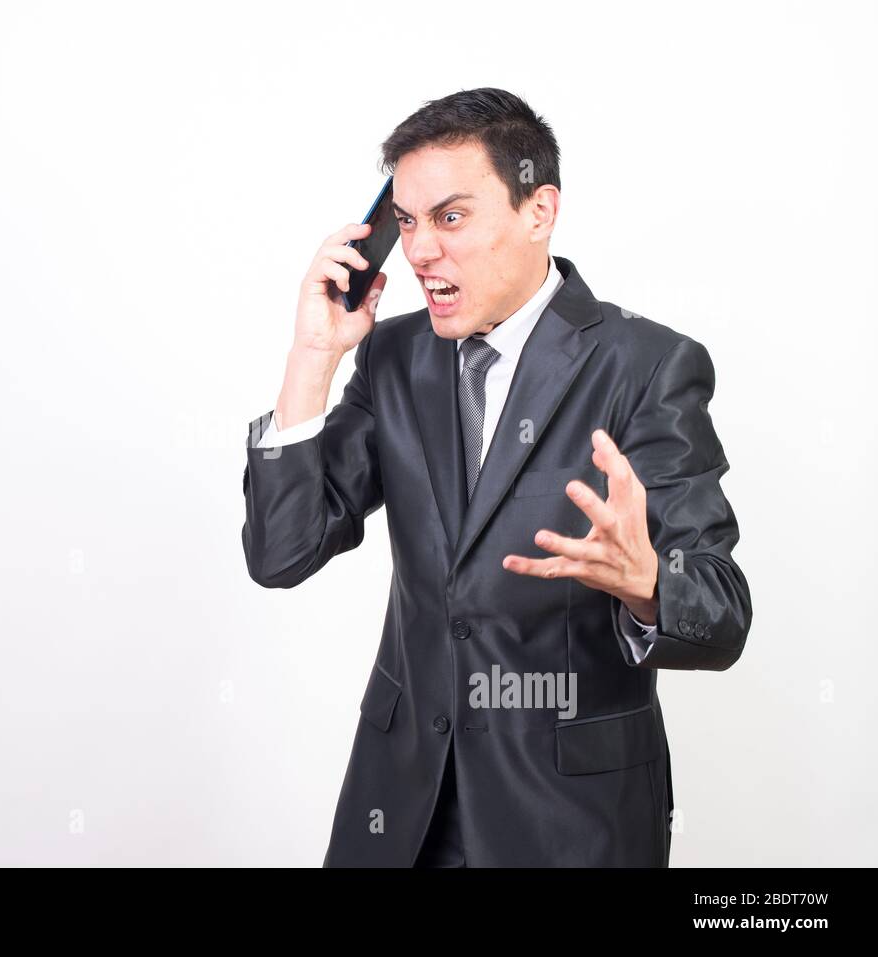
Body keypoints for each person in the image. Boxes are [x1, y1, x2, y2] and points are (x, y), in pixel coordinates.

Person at [240, 87, 752, 867]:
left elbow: (722, 612)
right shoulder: (394, 357)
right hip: (400, 809)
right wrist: (313, 356)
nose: (416, 251)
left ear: (539, 211)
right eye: (405, 222)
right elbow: (281, 553)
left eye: (450, 217)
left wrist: (648, 580)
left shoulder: (646, 367)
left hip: (568, 823)